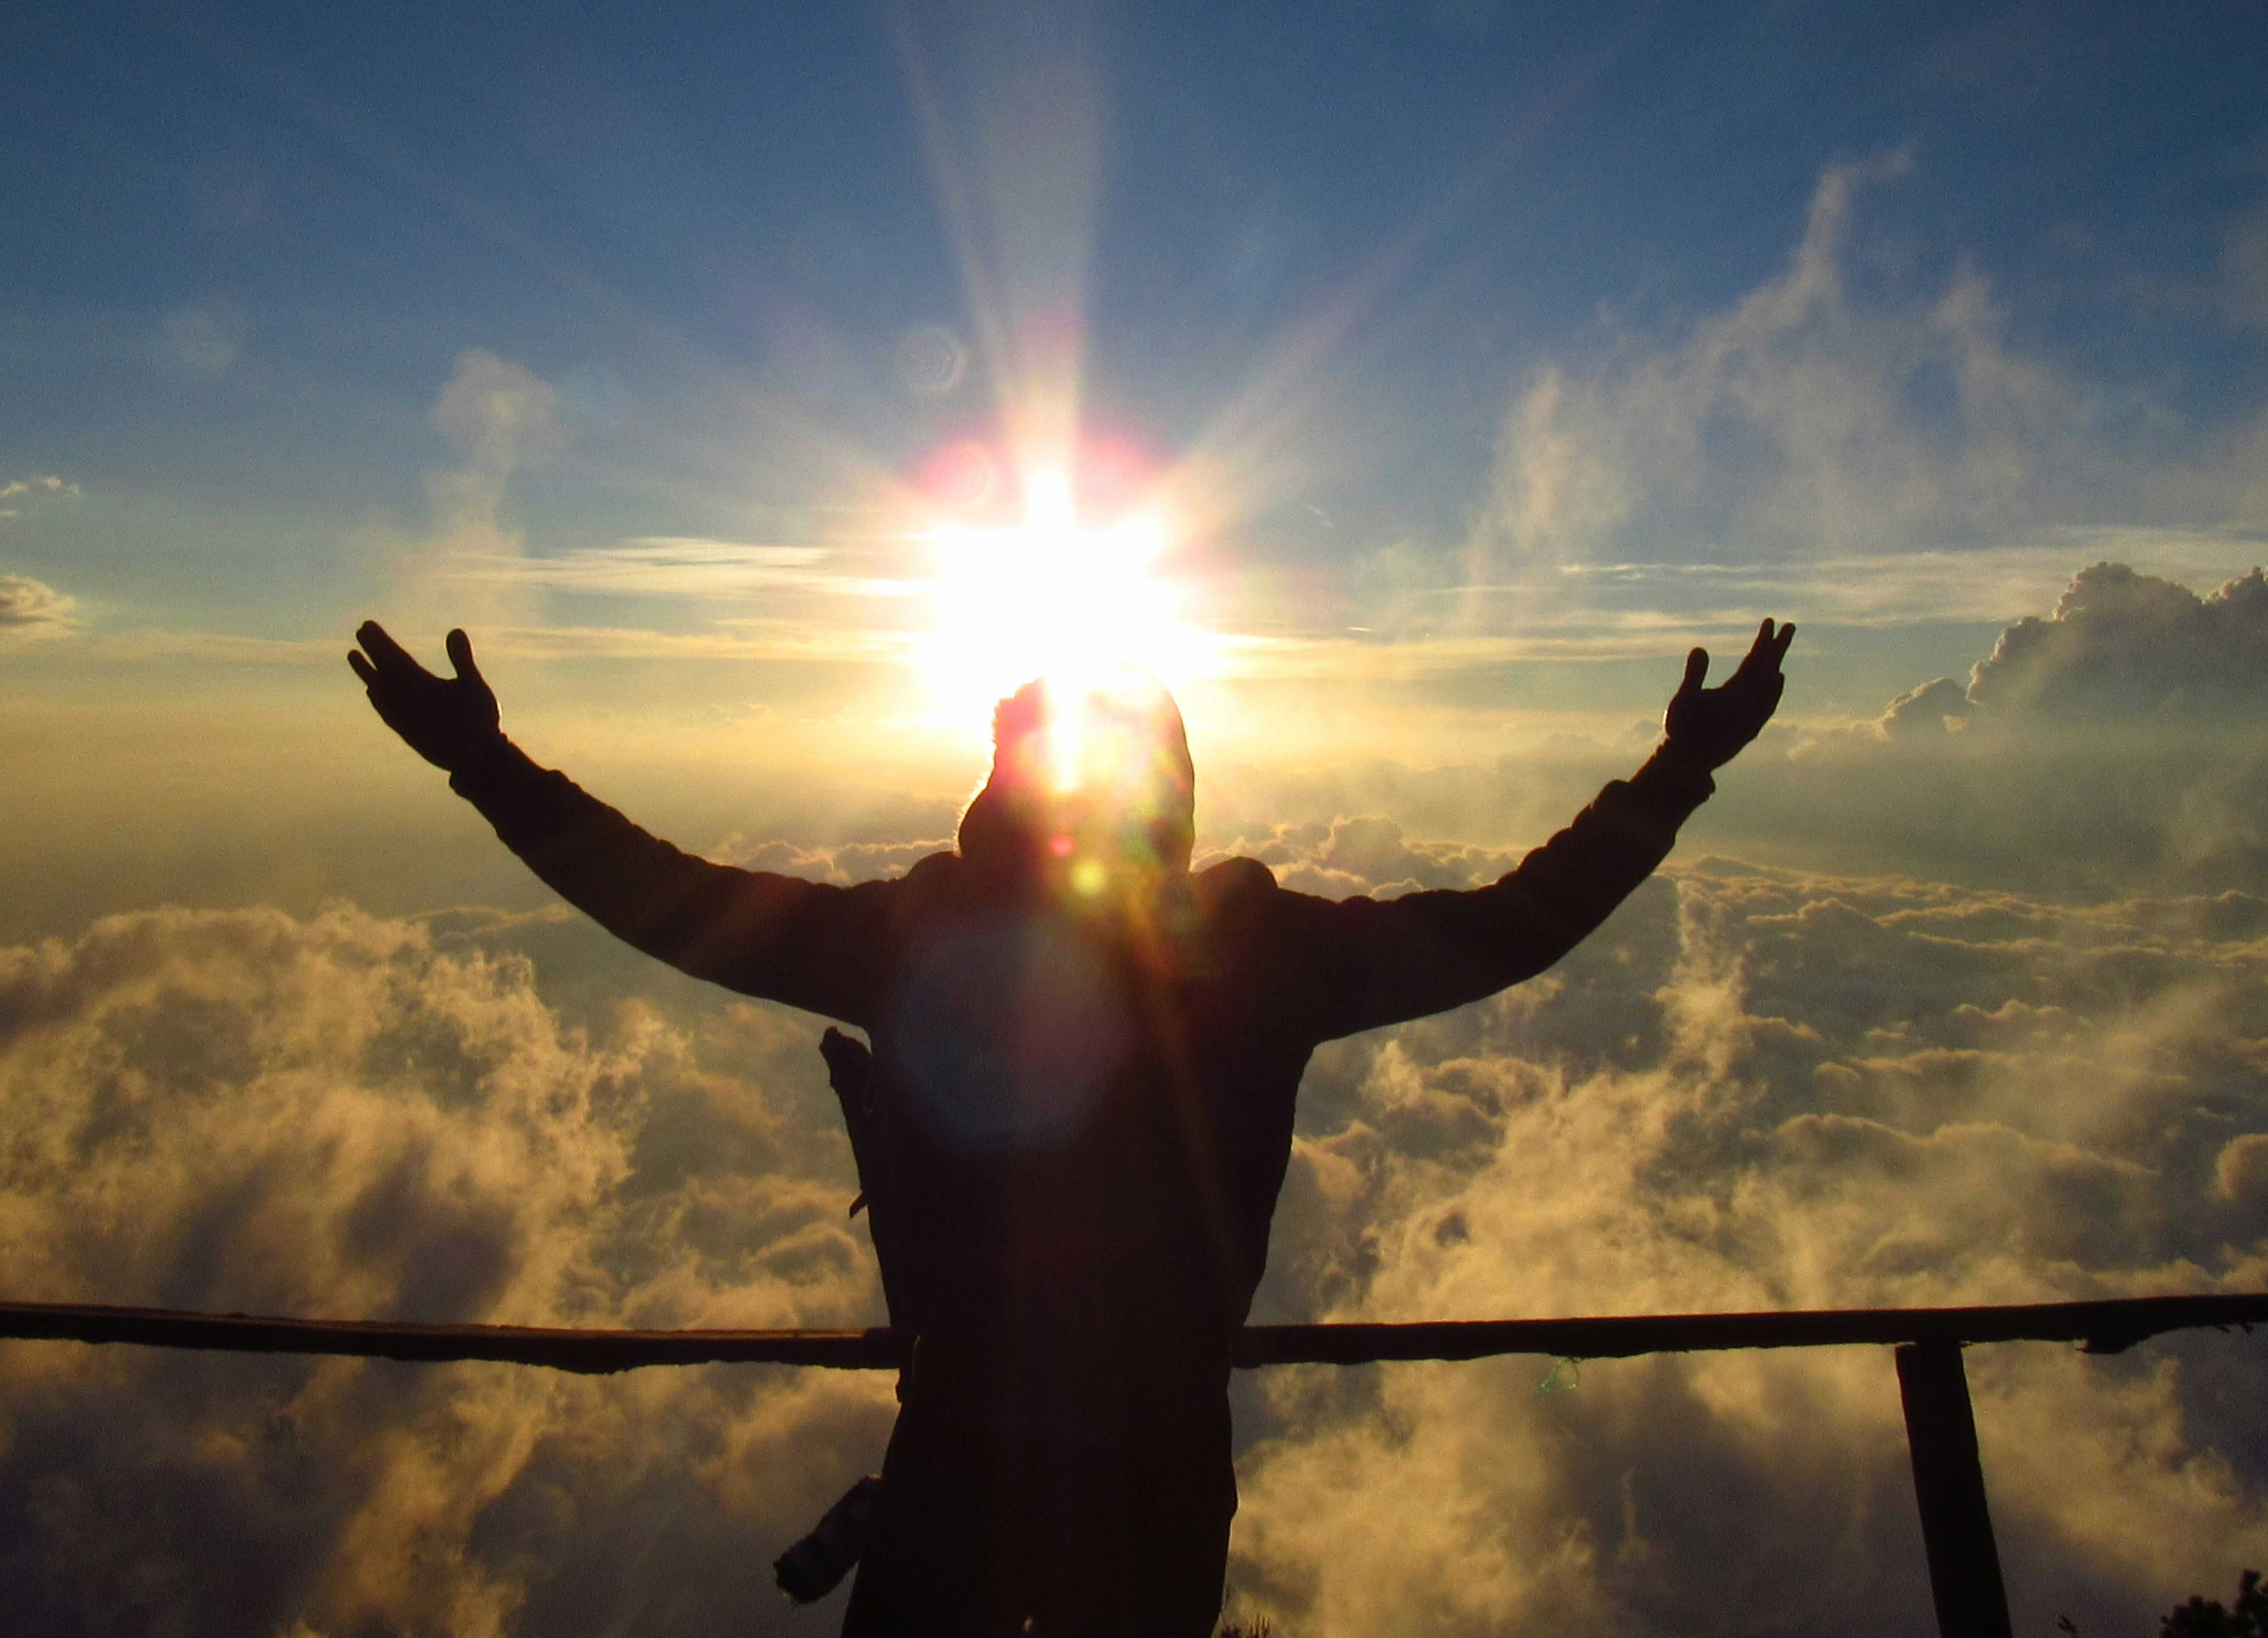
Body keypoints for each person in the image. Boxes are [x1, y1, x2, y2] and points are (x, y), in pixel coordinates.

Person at [348, 616, 1795, 1638]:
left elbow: (669, 901)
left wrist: (486, 765)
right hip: (1147, 1461)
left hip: (962, 1458)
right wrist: (1675, 777)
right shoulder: (1251, 955)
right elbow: (1505, 932)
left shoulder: (922, 941)